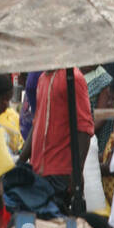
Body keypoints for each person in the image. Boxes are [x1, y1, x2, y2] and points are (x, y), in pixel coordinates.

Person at [22, 63, 95, 205]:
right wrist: (19, 161)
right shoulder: (42, 78)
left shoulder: (73, 77)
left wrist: (76, 175)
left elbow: (84, 129)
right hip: (38, 173)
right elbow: (37, 123)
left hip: (60, 176)